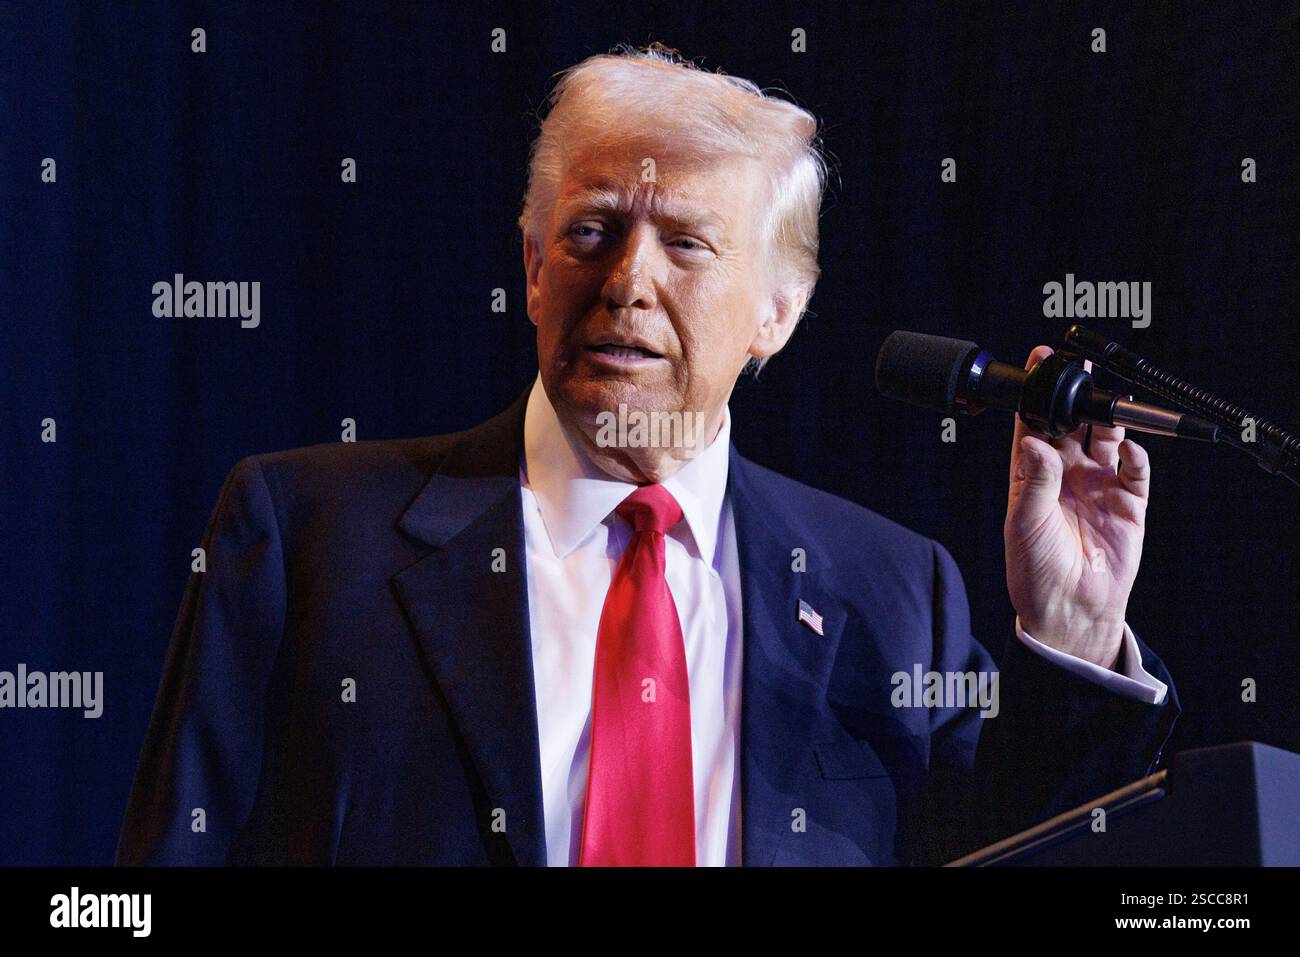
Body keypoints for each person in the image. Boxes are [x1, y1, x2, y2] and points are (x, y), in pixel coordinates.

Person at [117, 43, 1178, 867]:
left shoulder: (892, 593)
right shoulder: (309, 532)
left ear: (777, 310)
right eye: (589, 231)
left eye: (684, 241)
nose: (627, 279)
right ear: (532, 270)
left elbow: (1026, 857)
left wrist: (1074, 629)